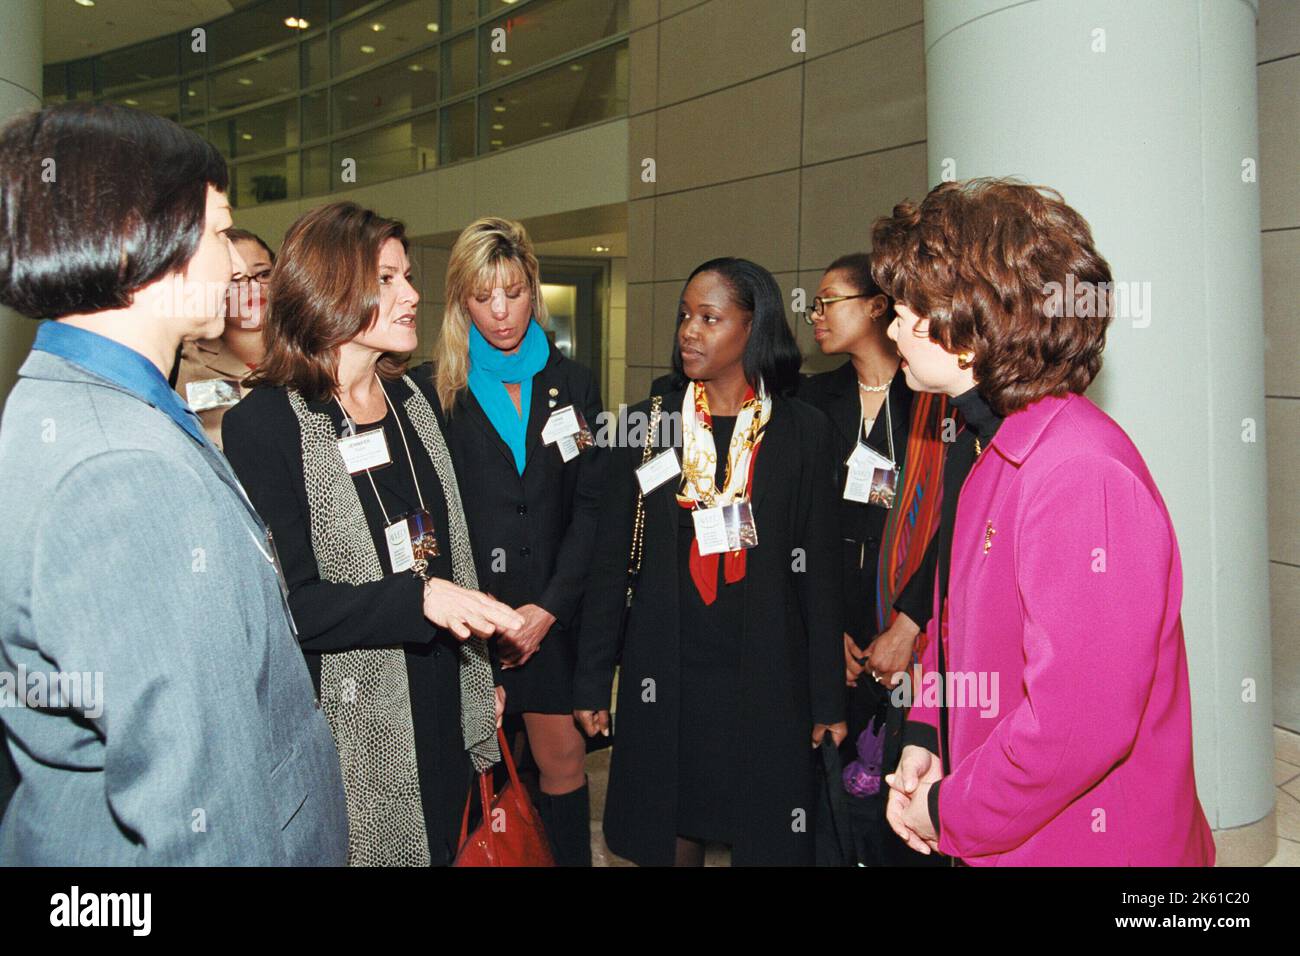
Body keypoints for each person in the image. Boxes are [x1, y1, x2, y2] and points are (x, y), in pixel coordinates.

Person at [0, 102, 347, 865]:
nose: (233, 263)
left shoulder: (81, 400)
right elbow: (201, 820)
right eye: (220, 232)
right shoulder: (119, 475)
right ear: (138, 236)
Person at [877, 178, 1215, 865]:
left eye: (910, 309)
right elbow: (953, 626)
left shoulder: (1076, 476)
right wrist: (926, 733)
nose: (890, 329)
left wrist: (950, 811)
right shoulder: (996, 454)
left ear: (975, 328)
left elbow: (1076, 728)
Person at [222, 201, 523, 867]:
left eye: (408, 277)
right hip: (351, 722)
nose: (413, 295)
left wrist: (486, 675)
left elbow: (450, 549)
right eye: (387, 280)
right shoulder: (266, 425)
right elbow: (290, 607)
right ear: (331, 289)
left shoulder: (414, 401)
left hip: (444, 691)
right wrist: (417, 599)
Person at [574, 257, 845, 866]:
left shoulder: (804, 432)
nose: (689, 331)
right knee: (670, 828)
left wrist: (827, 698)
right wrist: (593, 679)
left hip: (766, 674)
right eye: (684, 316)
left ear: (753, 328)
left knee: (768, 832)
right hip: (667, 674)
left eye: (709, 317)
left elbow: (820, 578)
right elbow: (610, 563)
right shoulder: (646, 427)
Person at [437, 217, 605, 866]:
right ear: (462, 301)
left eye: (514, 292)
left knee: (563, 766)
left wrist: (550, 607)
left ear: (533, 288)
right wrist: (483, 618)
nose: (501, 312)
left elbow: (589, 507)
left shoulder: (575, 383)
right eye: (484, 297)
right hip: (472, 622)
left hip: (553, 614)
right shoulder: (435, 389)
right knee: (479, 772)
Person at [796, 252, 949, 865]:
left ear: (878, 306)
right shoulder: (812, 400)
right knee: (828, 772)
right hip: (831, 602)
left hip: (910, 608)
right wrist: (823, 628)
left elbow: (950, 525)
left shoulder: (930, 399)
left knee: (900, 765)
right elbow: (795, 525)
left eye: (830, 300)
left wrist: (909, 623)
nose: (817, 314)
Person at [173, 227, 274, 449]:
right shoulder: (181, 364)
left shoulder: (310, 352)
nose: (253, 287)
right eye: (235, 279)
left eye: (264, 274)